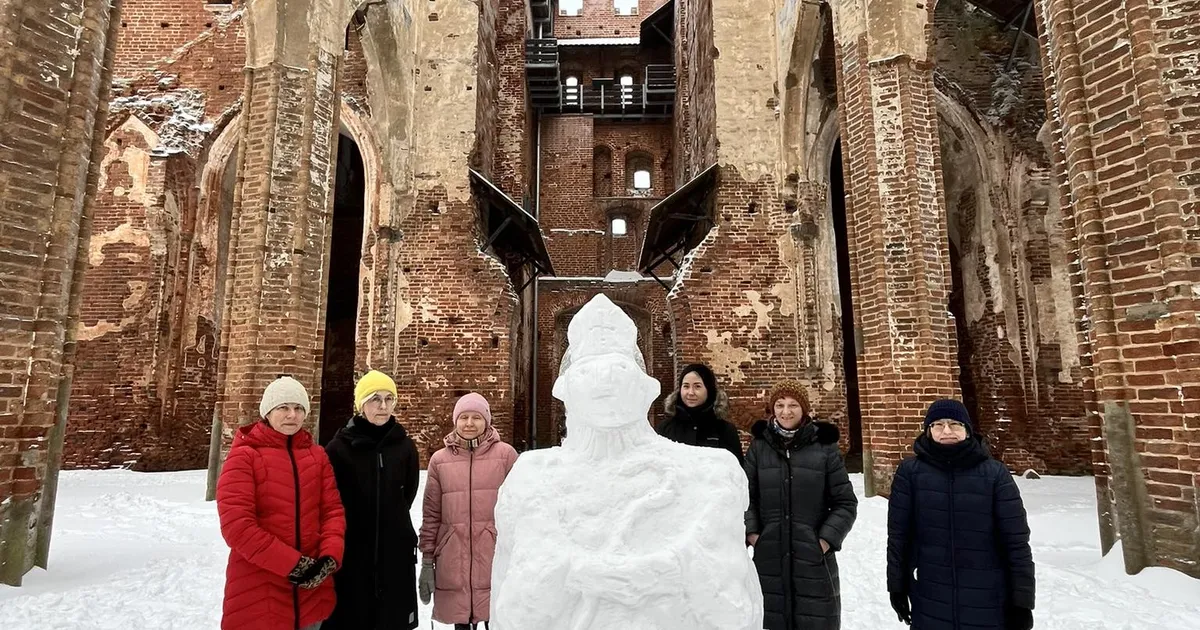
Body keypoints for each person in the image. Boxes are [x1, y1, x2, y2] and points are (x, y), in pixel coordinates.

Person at [886, 399, 1035, 630]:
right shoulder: (910, 473)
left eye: (955, 424)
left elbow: (1016, 542)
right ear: (928, 431)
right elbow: (899, 536)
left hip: (987, 598)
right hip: (930, 596)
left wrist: (1022, 602)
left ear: (967, 429)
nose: (947, 431)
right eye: (938, 425)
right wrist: (897, 586)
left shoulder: (994, 474)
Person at [216, 376, 346, 630]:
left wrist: (329, 556)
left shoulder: (316, 456)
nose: (292, 415)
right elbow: (237, 526)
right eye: (283, 408)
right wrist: (293, 565)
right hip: (260, 587)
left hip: (312, 589)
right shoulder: (245, 456)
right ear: (267, 412)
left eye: (298, 408)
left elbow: (332, 511)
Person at [745, 379, 858, 630]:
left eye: (793, 404)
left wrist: (824, 541)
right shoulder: (759, 447)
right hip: (769, 560)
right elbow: (746, 497)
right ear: (772, 408)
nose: (786, 411)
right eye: (780, 404)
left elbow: (845, 502)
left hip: (814, 562)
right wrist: (754, 535)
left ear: (804, 409)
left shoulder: (824, 448)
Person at [323, 370, 420, 629]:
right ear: (361, 404)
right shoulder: (339, 448)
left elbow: (407, 494)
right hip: (354, 556)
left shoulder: (404, 447)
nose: (383, 406)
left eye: (389, 399)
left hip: (395, 555)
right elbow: (332, 500)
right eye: (375, 399)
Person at [418, 392, 519, 630]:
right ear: (456, 421)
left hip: (495, 558)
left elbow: (520, 511)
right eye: (464, 417)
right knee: (461, 623)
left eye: (477, 417)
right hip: (453, 561)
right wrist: (427, 562)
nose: (470, 423)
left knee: (497, 620)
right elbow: (431, 515)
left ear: (487, 421)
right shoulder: (439, 461)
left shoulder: (506, 456)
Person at [656, 363, 744, 464]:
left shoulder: (725, 430)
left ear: (709, 390)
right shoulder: (665, 428)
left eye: (697, 386)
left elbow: (736, 473)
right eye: (686, 386)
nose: (690, 392)